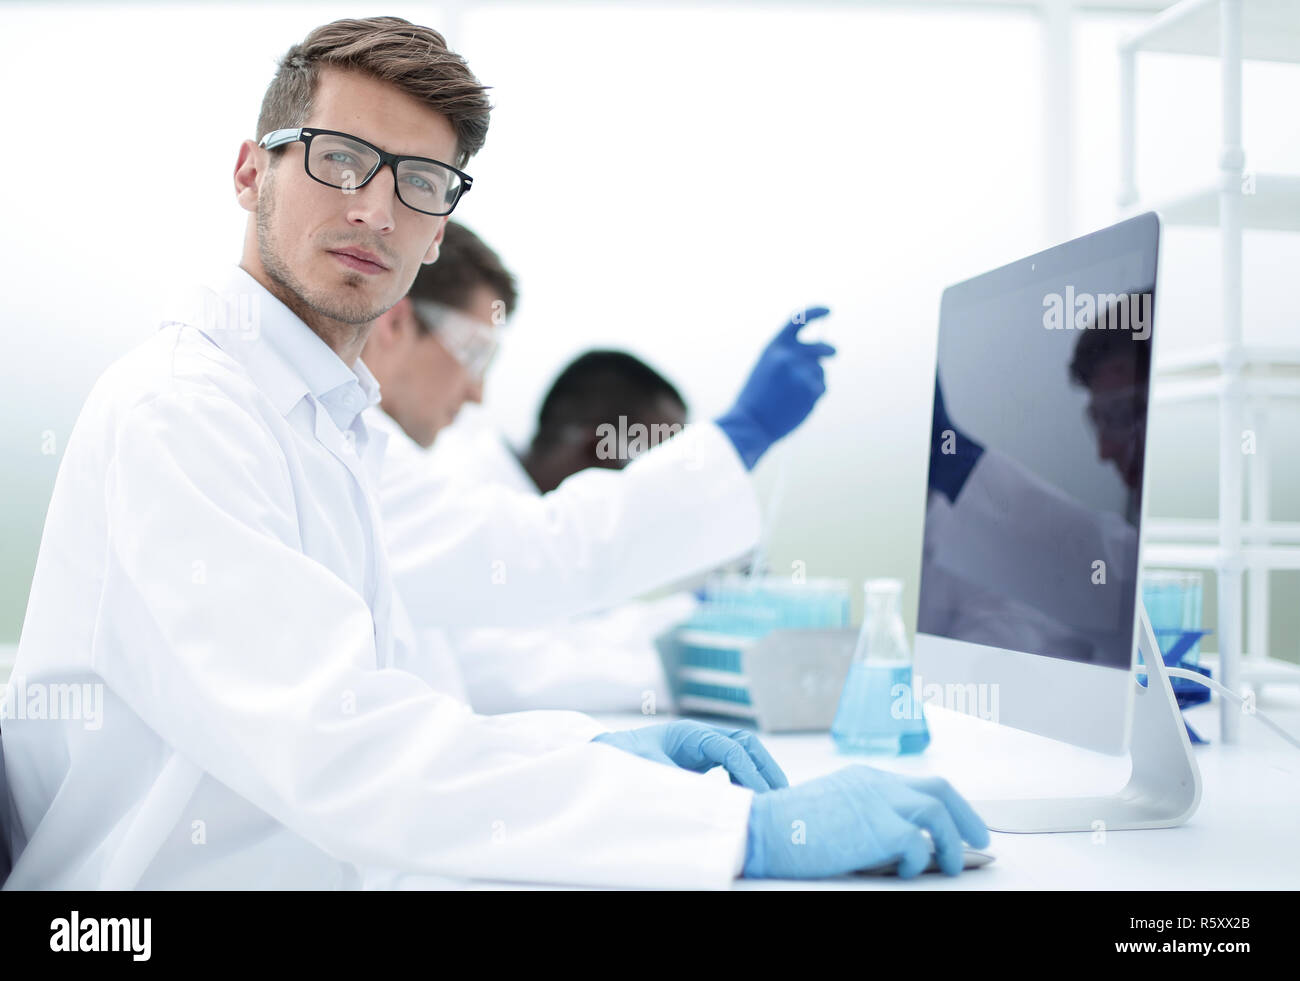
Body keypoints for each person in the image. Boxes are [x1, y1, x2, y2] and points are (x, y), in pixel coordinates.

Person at [2, 16, 988, 889]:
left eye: (420, 184)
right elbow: (339, 745)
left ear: (440, 233)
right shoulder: (183, 414)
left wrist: (595, 751)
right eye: (339, 159)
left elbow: (445, 646)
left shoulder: (324, 422)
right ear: (250, 170)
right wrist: (735, 827)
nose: (375, 211)